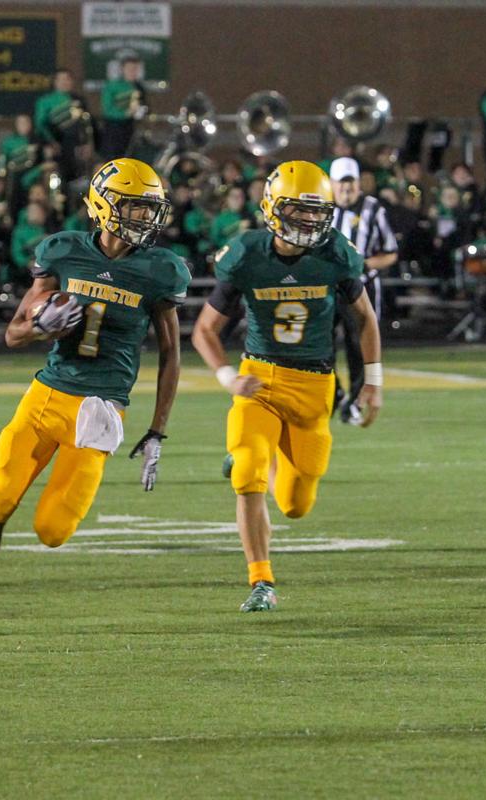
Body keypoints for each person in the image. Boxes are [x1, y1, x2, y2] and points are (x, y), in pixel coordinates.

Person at [0, 158, 190, 636]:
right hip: (45, 398)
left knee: (53, 531)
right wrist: (39, 325)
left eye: (148, 209)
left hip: (99, 412)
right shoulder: (64, 251)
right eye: (133, 208)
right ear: (100, 205)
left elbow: (172, 354)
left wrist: (158, 429)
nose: (142, 218)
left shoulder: (159, 269)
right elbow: (13, 334)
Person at [190, 160, 383, 613]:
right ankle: (261, 580)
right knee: (247, 476)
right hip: (260, 379)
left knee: (296, 504)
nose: (312, 221)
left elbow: (365, 320)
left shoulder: (335, 255)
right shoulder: (248, 254)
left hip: (315, 386)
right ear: (274, 209)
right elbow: (205, 330)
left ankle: (253, 452)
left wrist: (372, 382)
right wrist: (226, 376)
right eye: (301, 210)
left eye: (319, 212)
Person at [329, 157, 398, 424]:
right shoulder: (322, 208)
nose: (346, 189)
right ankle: (333, 392)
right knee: (320, 344)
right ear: (332, 184)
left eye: (350, 183)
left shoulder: (373, 209)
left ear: (358, 183)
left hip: (362, 288)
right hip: (328, 286)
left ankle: (356, 401)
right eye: (341, 183)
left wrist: (363, 265)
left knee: (360, 346)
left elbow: (390, 252)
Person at [99, 56, 147, 160]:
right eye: (129, 69)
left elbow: (144, 107)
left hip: (131, 129)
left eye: (135, 69)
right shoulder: (112, 86)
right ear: (122, 69)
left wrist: (141, 112)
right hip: (113, 130)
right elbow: (107, 110)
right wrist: (126, 113)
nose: (132, 72)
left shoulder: (139, 87)